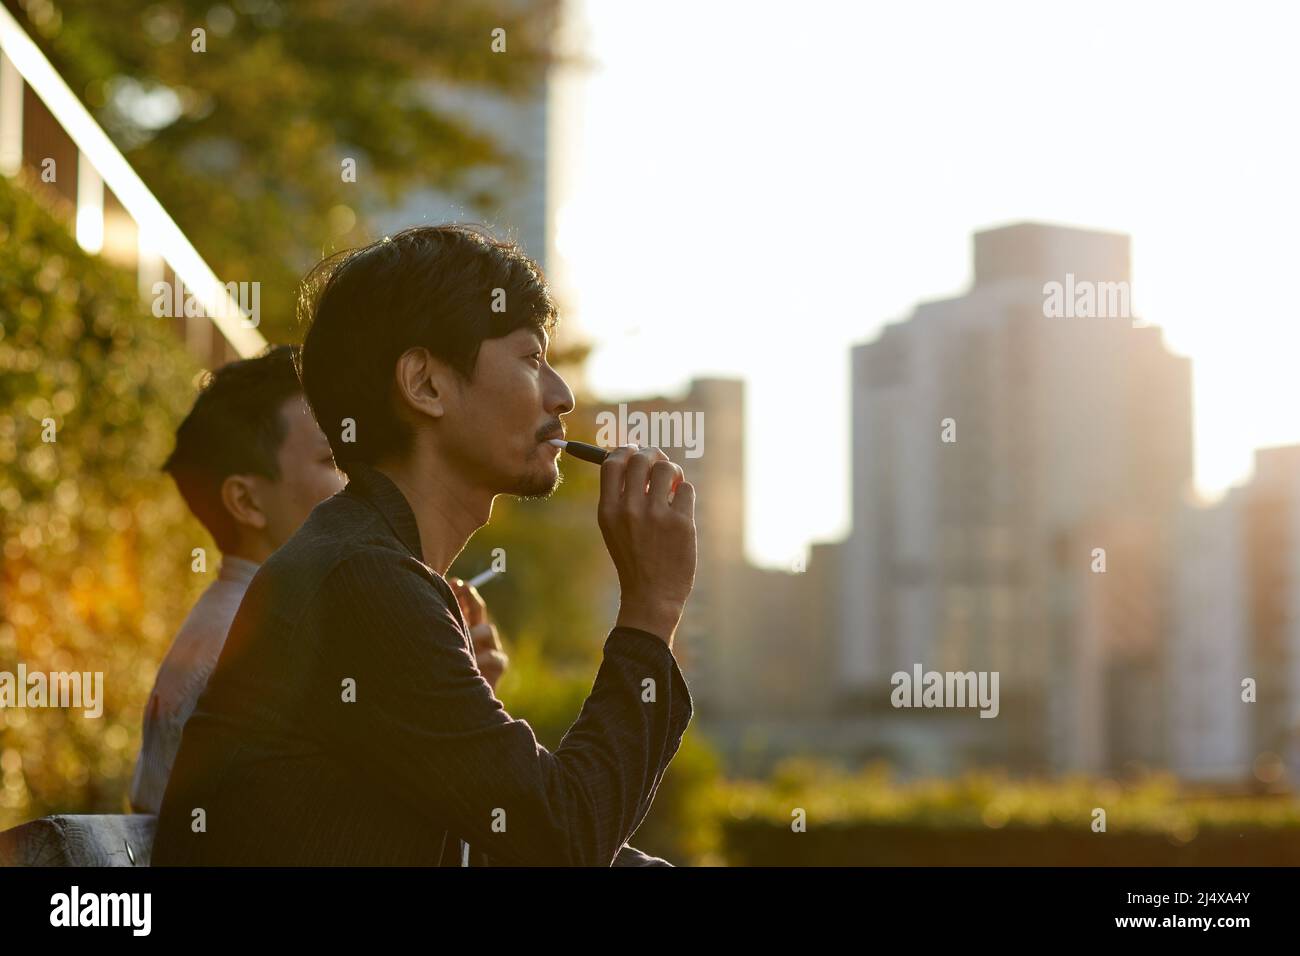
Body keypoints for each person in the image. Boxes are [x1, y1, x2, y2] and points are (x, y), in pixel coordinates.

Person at [152, 225, 697, 866]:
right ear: (426, 385)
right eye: (529, 358)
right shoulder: (361, 579)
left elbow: (522, 829)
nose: (562, 394)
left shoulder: (366, 561)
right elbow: (559, 836)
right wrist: (650, 610)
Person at [129, 345, 347, 814]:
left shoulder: (246, 625)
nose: (361, 478)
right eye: (333, 460)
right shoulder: (257, 646)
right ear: (246, 502)